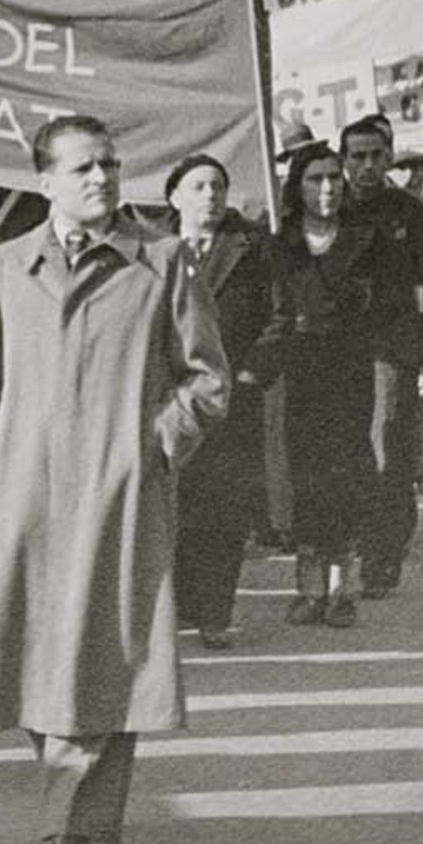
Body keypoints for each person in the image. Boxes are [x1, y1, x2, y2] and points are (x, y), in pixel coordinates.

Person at [0, 113, 228, 844]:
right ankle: (83, 809)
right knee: (32, 647)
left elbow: (208, 378)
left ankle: (75, 820)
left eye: (108, 163)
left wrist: (156, 440)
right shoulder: (7, 265)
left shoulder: (162, 262)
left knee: (111, 644)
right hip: (25, 487)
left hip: (119, 487)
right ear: (45, 183)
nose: (100, 178)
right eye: (82, 168)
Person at [285, 114, 423, 607]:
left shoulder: (409, 211)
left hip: (389, 351)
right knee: (335, 457)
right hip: (328, 353)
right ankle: (337, 556)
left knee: (386, 455)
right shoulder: (320, 207)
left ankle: (382, 558)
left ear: (390, 156)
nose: (367, 167)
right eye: (356, 157)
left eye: (377, 156)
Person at [162, 153, 273, 648]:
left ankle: (214, 613)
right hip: (166, 399)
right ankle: (171, 609)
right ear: (175, 197)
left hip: (231, 397)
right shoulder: (150, 250)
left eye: (218, 187)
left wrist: (251, 372)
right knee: (169, 506)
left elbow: (281, 314)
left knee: (223, 510)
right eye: (199, 187)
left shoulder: (251, 247)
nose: (210, 196)